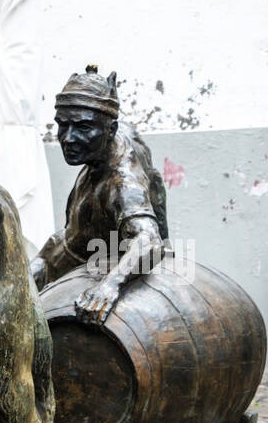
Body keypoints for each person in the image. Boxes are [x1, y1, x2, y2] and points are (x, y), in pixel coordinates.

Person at [30, 65, 169, 325]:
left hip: (109, 249)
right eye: (63, 125)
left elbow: (149, 240)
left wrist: (109, 286)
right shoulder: (105, 144)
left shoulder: (123, 179)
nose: (68, 138)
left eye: (83, 127)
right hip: (87, 242)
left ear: (110, 129)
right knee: (49, 250)